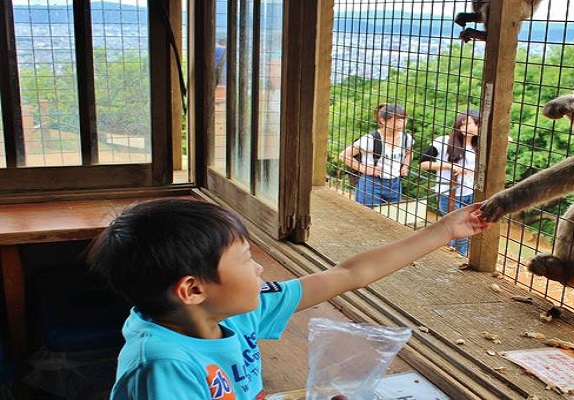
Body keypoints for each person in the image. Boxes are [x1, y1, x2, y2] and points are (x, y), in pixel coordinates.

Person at [87, 198, 490, 399]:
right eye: (246, 260)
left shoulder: (232, 313)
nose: (260, 269)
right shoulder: (164, 367)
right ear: (193, 289)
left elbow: (348, 274)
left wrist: (443, 232)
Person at [419, 109, 481, 256]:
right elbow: (423, 163)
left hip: (470, 194)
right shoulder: (443, 142)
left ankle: (456, 255)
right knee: (460, 231)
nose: (466, 128)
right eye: (463, 124)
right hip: (448, 194)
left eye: (471, 124)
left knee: (466, 229)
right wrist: (449, 166)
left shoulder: (479, 146)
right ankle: (460, 257)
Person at [339, 103, 414, 206]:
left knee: (391, 217)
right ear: (383, 121)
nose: (401, 124)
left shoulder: (407, 138)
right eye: (396, 121)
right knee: (368, 217)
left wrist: (405, 166)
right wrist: (365, 169)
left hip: (395, 184)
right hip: (372, 183)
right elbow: (343, 155)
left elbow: (409, 153)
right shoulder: (370, 139)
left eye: (403, 119)